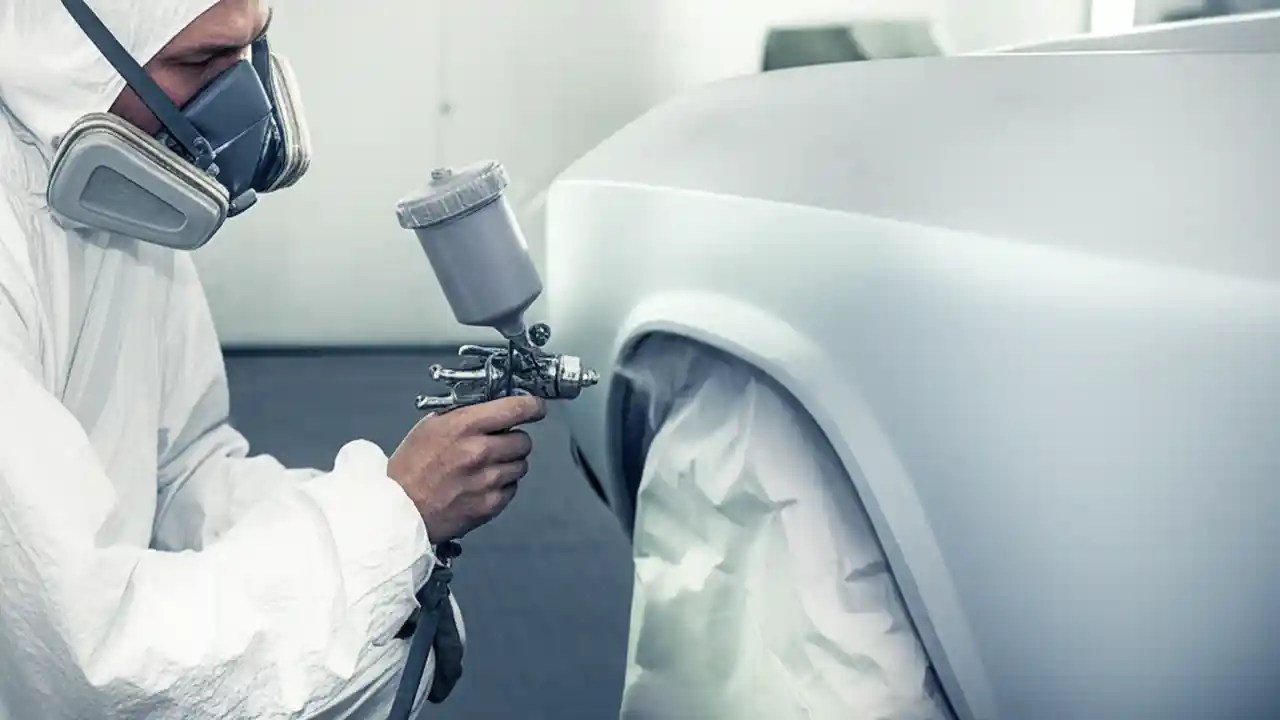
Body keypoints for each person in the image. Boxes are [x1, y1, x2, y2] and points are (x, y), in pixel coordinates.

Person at [0, 1, 545, 717]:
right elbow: (85, 664)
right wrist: (389, 522)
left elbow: (183, 473)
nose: (245, 105)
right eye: (200, 63)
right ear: (72, 62)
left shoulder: (113, 187)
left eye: (250, 50)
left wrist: (384, 577)